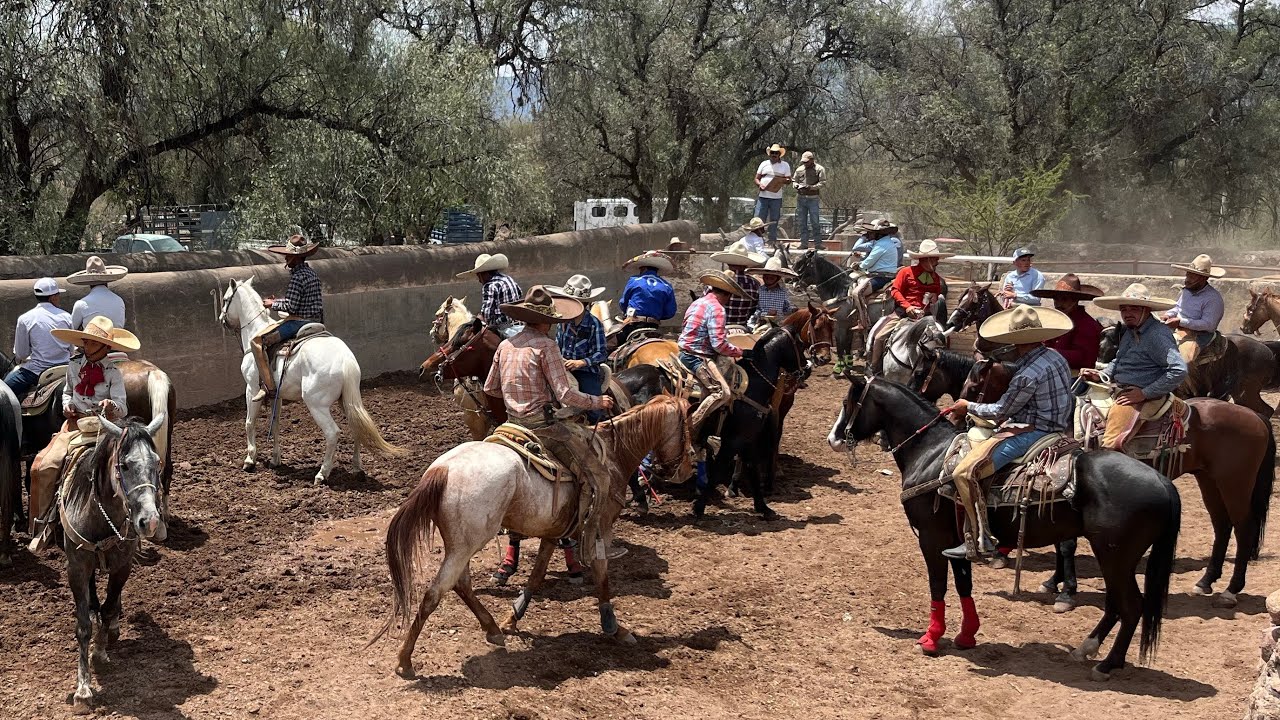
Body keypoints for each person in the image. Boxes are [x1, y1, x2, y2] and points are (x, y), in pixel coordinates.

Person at [483, 287, 615, 585]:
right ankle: (589, 544)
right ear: (547, 322)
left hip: (510, 427)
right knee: (598, 475)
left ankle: (512, 554)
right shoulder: (547, 347)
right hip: (543, 427)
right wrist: (598, 402)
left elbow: (490, 389)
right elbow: (566, 393)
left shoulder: (506, 346)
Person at [942, 305, 1074, 560]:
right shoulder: (1055, 357)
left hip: (1032, 432)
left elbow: (1001, 410)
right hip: (1059, 426)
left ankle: (980, 540)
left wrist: (967, 405)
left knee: (964, 472)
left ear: (1014, 340)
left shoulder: (1026, 374)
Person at [28, 317, 138, 548]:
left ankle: (139, 516)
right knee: (42, 466)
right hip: (75, 425)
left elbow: (123, 407)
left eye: (91, 343)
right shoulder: (74, 365)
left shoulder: (113, 373)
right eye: (85, 342)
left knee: (135, 466)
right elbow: (68, 392)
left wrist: (111, 406)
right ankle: (43, 524)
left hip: (106, 429)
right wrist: (66, 405)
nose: (85, 347)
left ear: (104, 347)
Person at [1080, 283, 1186, 450]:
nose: (1127, 314)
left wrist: (1144, 393)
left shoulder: (1157, 335)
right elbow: (1119, 360)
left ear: (1146, 310)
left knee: (1109, 445)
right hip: (1120, 388)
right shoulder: (1130, 330)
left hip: (1140, 394)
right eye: (1124, 309)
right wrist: (1100, 375)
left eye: (1134, 309)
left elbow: (1178, 370)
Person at [250, 235, 325, 403]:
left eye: (288, 256)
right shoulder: (312, 274)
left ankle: (268, 387)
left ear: (294, 258)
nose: (285, 258)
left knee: (257, 342)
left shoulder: (297, 277)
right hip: (316, 321)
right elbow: (301, 301)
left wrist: (272, 303)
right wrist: (279, 301)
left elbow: (291, 307)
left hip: (299, 323)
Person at [679, 270, 748, 451]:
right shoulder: (717, 308)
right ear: (726, 293)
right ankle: (689, 427)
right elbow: (718, 344)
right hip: (698, 356)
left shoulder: (697, 302)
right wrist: (738, 351)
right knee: (722, 392)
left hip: (683, 352)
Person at [869, 239, 952, 374]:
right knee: (879, 337)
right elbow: (895, 290)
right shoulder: (906, 272)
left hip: (926, 317)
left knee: (943, 338)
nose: (937, 261)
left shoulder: (936, 278)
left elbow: (936, 295)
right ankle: (874, 368)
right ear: (926, 259)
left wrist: (934, 297)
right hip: (902, 314)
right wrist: (908, 307)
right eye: (935, 259)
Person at [547, 275, 609, 423]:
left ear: (584, 303)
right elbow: (557, 345)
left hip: (586, 372)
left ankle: (598, 431)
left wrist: (581, 363)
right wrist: (559, 359)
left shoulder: (594, 324)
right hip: (563, 369)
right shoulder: (563, 322)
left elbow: (601, 353)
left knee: (594, 410)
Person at [1164, 254, 1226, 395]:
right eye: (1188, 274)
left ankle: (1187, 392)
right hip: (1178, 329)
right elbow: (1177, 308)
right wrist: (1169, 314)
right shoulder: (1186, 291)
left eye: (1193, 276)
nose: (1187, 278)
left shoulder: (1213, 298)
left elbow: (1208, 325)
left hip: (1200, 335)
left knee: (1183, 361)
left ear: (1204, 278)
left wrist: (1181, 321)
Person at [5, 277, 72, 398]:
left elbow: (22, 354)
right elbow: (71, 350)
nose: (59, 298)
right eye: (58, 295)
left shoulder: (25, 319)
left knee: (4, 391)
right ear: (52, 297)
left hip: (36, 371)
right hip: (65, 368)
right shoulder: (67, 317)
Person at [1031, 274, 1104, 374]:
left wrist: (1050, 352)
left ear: (1075, 300)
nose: (1059, 304)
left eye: (1064, 299)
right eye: (1056, 299)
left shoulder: (1087, 325)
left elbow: (1084, 358)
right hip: (1051, 370)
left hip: (1076, 376)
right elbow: (1046, 342)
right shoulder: (1055, 320)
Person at [850, 218, 903, 331]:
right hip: (882, 275)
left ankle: (864, 322)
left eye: (872, 232)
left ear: (878, 233)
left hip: (881, 277)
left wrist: (858, 265)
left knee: (857, 293)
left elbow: (868, 262)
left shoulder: (881, 245)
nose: (870, 234)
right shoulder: (884, 242)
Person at [456, 252, 523, 338]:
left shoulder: (489, 285)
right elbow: (520, 293)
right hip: (519, 323)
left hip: (503, 328)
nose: (479, 280)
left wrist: (480, 317)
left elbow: (486, 314)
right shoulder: (508, 278)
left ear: (484, 274)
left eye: (478, 276)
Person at [618, 250, 678, 343]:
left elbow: (623, 303)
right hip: (654, 326)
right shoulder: (666, 285)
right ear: (657, 270)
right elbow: (670, 312)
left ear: (643, 268)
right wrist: (655, 315)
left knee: (615, 346)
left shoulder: (634, 280)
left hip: (633, 324)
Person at [707, 240, 764, 329]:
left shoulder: (718, 281)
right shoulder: (755, 284)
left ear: (728, 263)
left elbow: (707, 304)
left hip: (718, 327)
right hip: (742, 327)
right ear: (746, 265)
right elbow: (756, 308)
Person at [66, 256, 128, 330]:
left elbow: (73, 328)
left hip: (92, 341)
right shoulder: (119, 301)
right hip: (116, 340)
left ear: (89, 282)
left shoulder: (81, 304)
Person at [754, 143, 791, 245]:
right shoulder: (764, 164)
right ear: (769, 154)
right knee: (759, 218)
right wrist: (760, 185)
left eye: (776, 153)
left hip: (776, 197)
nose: (774, 155)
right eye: (772, 153)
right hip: (763, 196)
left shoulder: (785, 165)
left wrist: (782, 180)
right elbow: (756, 178)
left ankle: (772, 240)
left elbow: (789, 180)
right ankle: (758, 239)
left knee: (774, 219)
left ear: (779, 154)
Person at [747, 256, 797, 326]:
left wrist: (793, 310)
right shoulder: (759, 291)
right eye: (766, 277)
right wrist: (766, 314)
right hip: (760, 323)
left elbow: (786, 309)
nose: (768, 279)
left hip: (778, 324)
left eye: (772, 278)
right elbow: (753, 310)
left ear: (777, 278)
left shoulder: (783, 292)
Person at [792, 151, 826, 250]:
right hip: (801, 198)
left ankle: (818, 243)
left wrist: (811, 187)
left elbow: (823, 182)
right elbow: (794, 180)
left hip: (813, 199)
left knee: (815, 221)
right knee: (802, 222)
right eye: (804, 162)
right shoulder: (799, 169)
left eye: (807, 162)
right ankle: (803, 243)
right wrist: (796, 185)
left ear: (812, 160)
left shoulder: (819, 169)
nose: (805, 164)